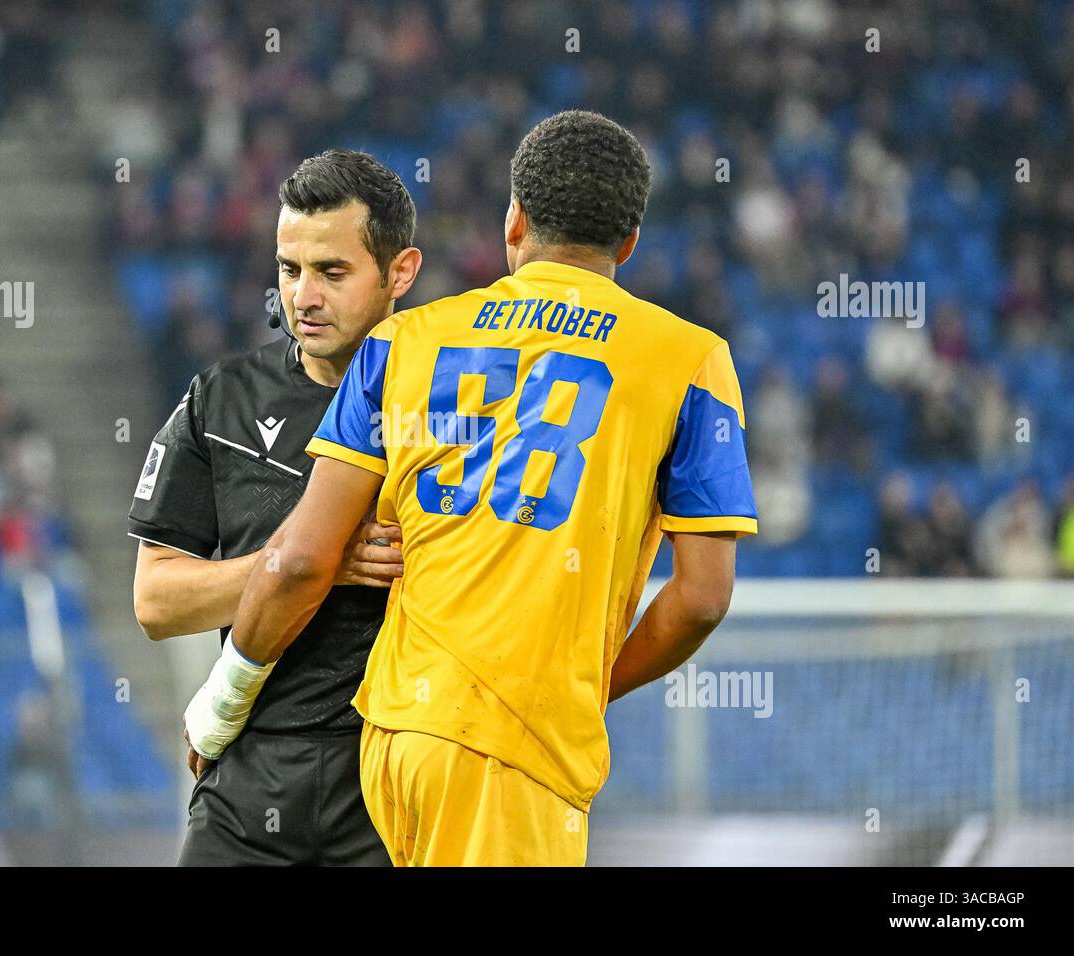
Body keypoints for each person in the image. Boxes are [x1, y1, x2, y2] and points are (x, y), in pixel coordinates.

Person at [185, 110, 757, 865]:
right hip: (510, 748)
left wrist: (220, 706)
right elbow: (702, 598)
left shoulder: (400, 341)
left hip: (389, 743)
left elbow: (299, 560)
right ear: (629, 243)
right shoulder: (690, 360)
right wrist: (584, 691)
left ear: (514, 222)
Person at [130, 149, 421, 865]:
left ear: (401, 272)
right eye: (290, 271)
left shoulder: (450, 407)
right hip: (249, 773)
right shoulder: (220, 401)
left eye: (332, 272)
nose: (303, 297)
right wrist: (308, 566)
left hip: (395, 775)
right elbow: (156, 603)